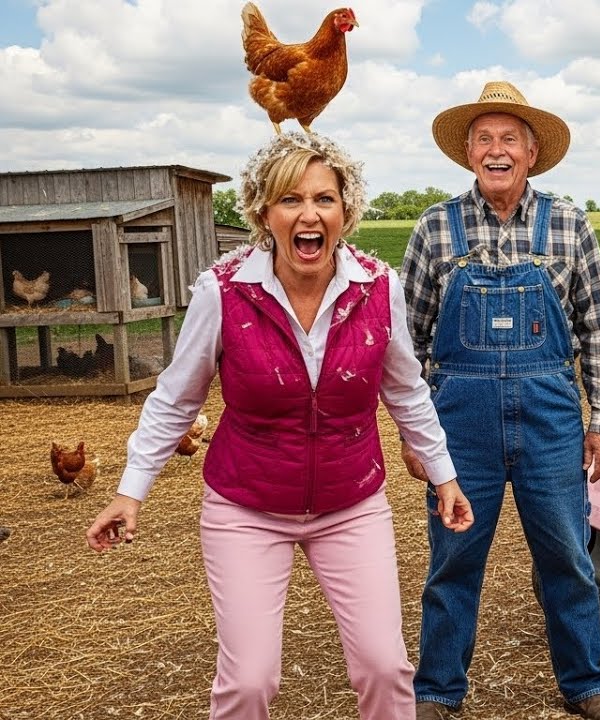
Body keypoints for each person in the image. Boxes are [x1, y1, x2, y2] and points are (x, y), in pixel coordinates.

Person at [85, 131, 474, 720]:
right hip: (246, 505)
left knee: (384, 667)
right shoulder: (225, 292)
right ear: (263, 212)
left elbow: (406, 391)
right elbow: (175, 398)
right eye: (290, 200)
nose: (308, 214)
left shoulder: (377, 287)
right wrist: (130, 491)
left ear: (346, 211)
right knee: (248, 682)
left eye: (324, 199)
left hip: (351, 503)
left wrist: (444, 477)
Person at [400, 81, 600, 720]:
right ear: (468, 153)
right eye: (484, 140)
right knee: (454, 559)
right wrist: (416, 432)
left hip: (550, 418)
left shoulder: (569, 223)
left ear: (531, 153)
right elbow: (407, 341)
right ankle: (438, 690)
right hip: (459, 424)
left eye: (508, 140)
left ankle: (586, 683)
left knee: (566, 553)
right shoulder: (433, 229)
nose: (495, 151)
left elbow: (599, 328)